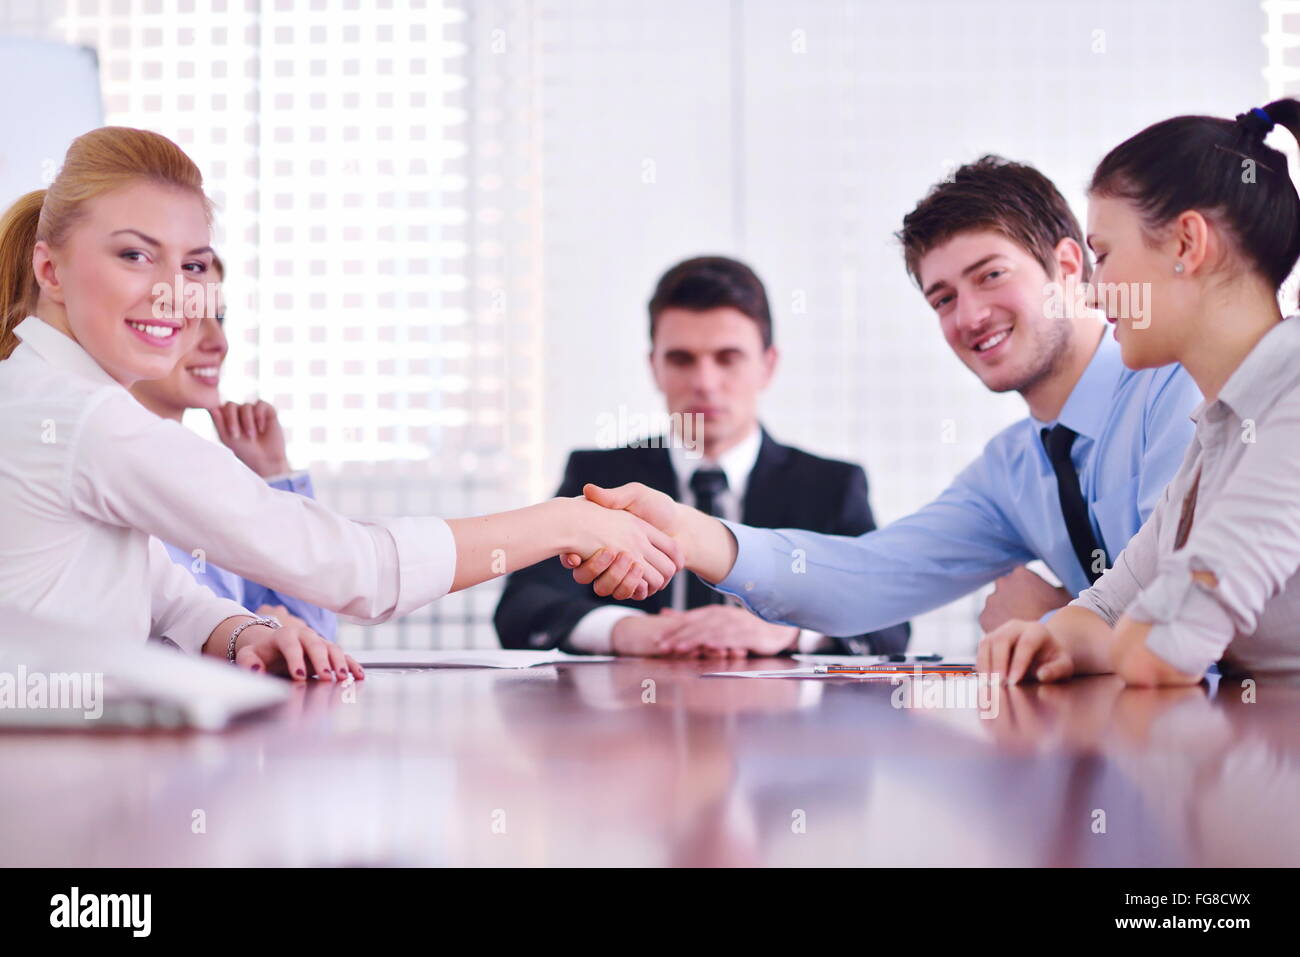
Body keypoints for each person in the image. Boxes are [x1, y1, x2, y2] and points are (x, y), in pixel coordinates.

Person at [0, 126, 680, 681]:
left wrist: (239, 630)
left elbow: (154, 586)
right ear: (50, 269)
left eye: (194, 264)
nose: (175, 294)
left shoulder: (39, 393)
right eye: (134, 256)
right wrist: (567, 521)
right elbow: (361, 571)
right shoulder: (89, 421)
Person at [564, 157, 1201, 649]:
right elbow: (868, 576)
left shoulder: (1177, 388)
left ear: (1067, 266)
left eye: (991, 275)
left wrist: (1056, 620)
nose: (970, 315)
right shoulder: (1011, 471)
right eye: (942, 297)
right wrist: (692, 534)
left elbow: (1184, 616)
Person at [978, 100, 1300, 687]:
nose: (1094, 295)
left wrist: (1114, 637)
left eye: (1102, 257)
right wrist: (1049, 637)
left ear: (1186, 244)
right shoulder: (1219, 430)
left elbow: (1165, 644)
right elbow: (1104, 611)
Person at [494, 256, 908, 658]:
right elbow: (521, 607)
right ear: (653, 367)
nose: (705, 383)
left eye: (728, 358)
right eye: (681, 359)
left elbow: (888, 622)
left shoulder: (830, 486)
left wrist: (785, 632)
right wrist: (624, 629)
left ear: (768, 366)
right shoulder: (599, 477)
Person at [129, 252, 337, 640]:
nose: (218, 343)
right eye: (185, 318)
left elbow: (315, 632)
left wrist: (272, 473)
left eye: (219, 318)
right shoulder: (107, 477)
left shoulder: (207, 479)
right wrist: (262, 631)